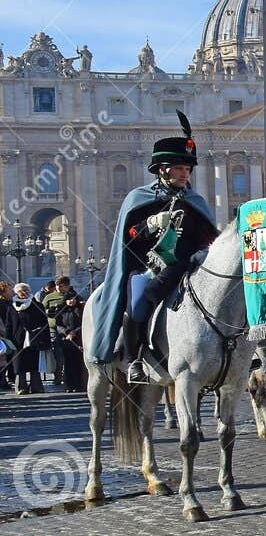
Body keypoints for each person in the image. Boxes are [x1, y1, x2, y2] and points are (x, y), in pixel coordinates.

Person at [87, 112, 219, 384]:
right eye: (179, 169)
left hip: (188, 266)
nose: (185, 174)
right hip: (147, 268)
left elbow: (208, 236)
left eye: (188, 169)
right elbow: (129, 238)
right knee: (139, 302)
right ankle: (135, 358)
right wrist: (149, 224)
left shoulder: (195, 200)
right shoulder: (139, 198)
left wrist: (204, 251)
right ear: (162, 170)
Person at [9, 283, 49, 393]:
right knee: (19, 366)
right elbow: (9, 325)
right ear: (17, 293)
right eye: (21, 291)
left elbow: (44, 324)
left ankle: (37, 387)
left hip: (34, 338)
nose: (24, 293)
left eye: (26, 290)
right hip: (18, 341)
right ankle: (21, 387)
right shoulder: (12, 306)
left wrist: (45, 340)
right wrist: (9, 341)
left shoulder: (37, 305)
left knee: (34, 365)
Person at [53, 285, 86, 392]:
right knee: (67, 364)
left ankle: (78, 385)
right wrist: (66, 332)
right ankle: (69, 385)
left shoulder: (80, 310)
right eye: (69, 299)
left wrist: (74, 333)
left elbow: (83, 323)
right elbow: (58, 325)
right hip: (65, 340)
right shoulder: (61, 310)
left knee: (78, 363)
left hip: (77, 339)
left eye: (73, 299)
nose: (71, 301)